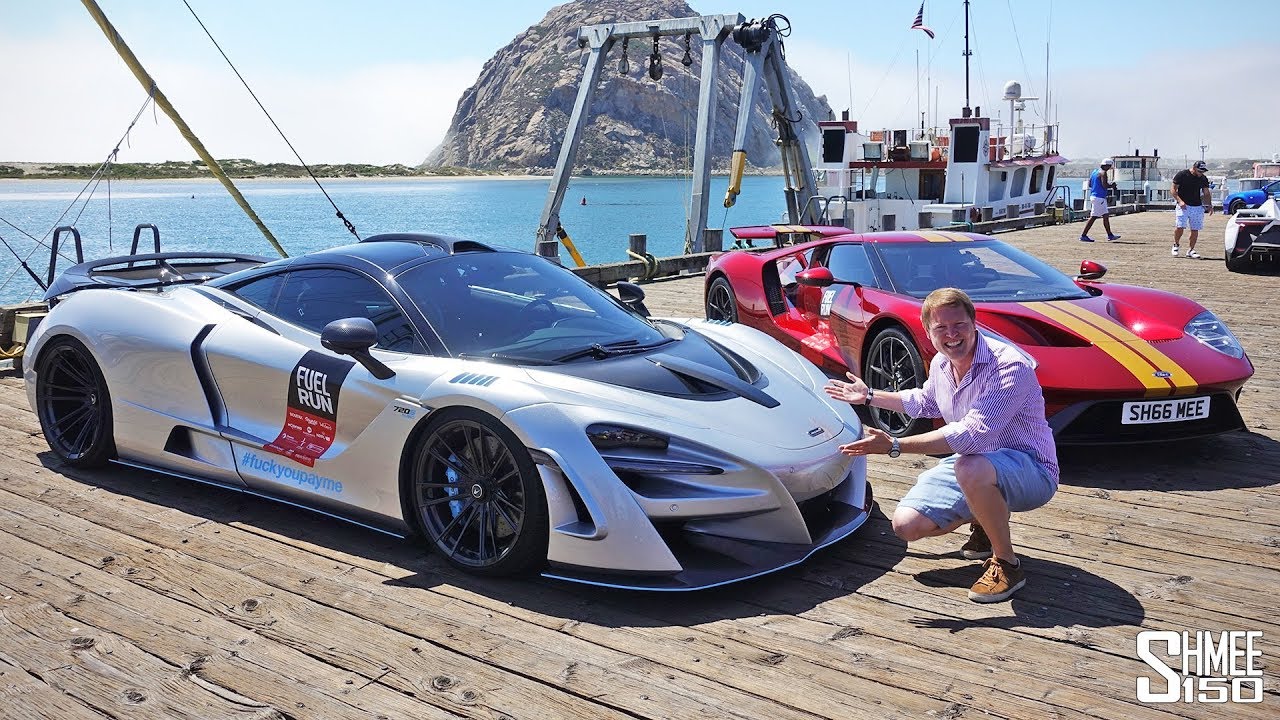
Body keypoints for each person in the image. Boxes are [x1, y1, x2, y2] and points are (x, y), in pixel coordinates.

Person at [824, 288, 1058, 603]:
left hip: (1031, 469)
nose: (951, 334)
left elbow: (972, 436)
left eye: (959, 324)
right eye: (941, 328)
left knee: (969, 464)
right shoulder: (941, 363)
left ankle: (1007, 564)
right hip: (975, 466)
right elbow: (926, 401)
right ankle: (986, 523)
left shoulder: (1009, 366)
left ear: (974, 323)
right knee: (906, 525)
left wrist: (894, 445)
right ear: (929, 333)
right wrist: (869, 396)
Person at [1171, 160, 1214, 259]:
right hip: (1183, 205)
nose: (1201, 173)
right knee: (1180, 226)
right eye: (1199, 171)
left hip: (1197, 206)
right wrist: (1179, 201)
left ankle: (1190, 250)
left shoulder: (1203, 178)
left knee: (1195, 229)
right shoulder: (1182, 175)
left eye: (1203, 171)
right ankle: (1176, 244)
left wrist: (1209, 205)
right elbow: (1173, 189)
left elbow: (1206, 193)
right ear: (1194, 168)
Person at [1079, 158, 1121, 242]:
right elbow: (1104, 185)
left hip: (1094, 196)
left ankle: (1110, 235)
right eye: (1109, 166)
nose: (1109, 168)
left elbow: (1090, 184)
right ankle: (1083, 235)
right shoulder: (1103, 173)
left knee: (1105, 216)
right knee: (1093, 217)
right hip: (1099, 198)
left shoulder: (1094, 172)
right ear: (1107, 166)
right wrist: (1112, 185)